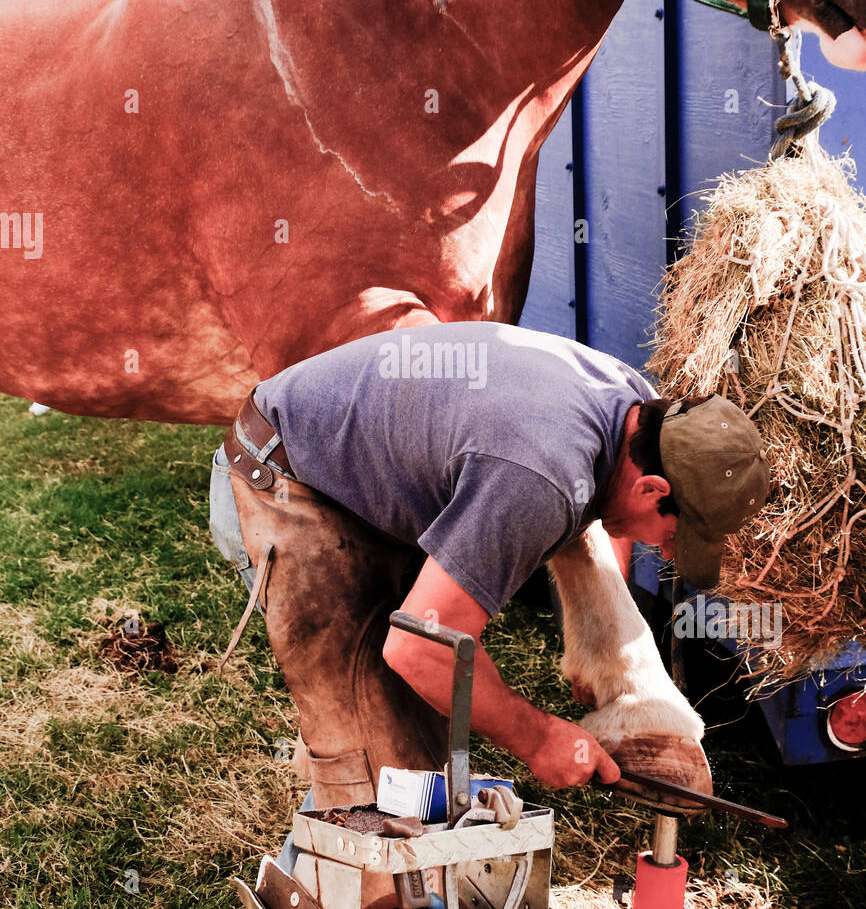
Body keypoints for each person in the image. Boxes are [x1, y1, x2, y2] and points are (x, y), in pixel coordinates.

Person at [210, 322, 770, 864]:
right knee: (386, 785)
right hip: (283, 482)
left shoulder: (639, 412)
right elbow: (422, 648)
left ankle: (373, 907)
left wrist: (600, 647)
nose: (668, 554)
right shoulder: (540, 473)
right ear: (652, 487)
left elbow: (582, 508)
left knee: (412, 762)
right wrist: (538, 737)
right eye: (672, 536)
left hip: (345, 478)